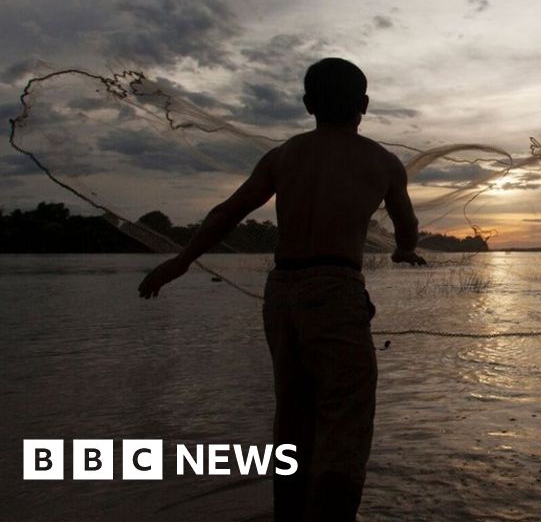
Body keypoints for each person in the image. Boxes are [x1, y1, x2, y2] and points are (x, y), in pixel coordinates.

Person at [138, 57, 426, 521]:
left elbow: (226, 213)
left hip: (282, 293)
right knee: (344, 425)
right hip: (336, 290)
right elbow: (406, 227)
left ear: (308, 104)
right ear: (365, 106)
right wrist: (403, 251)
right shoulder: (384, 162)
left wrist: (181, 260)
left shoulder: (285, 155)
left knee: (292, 421)